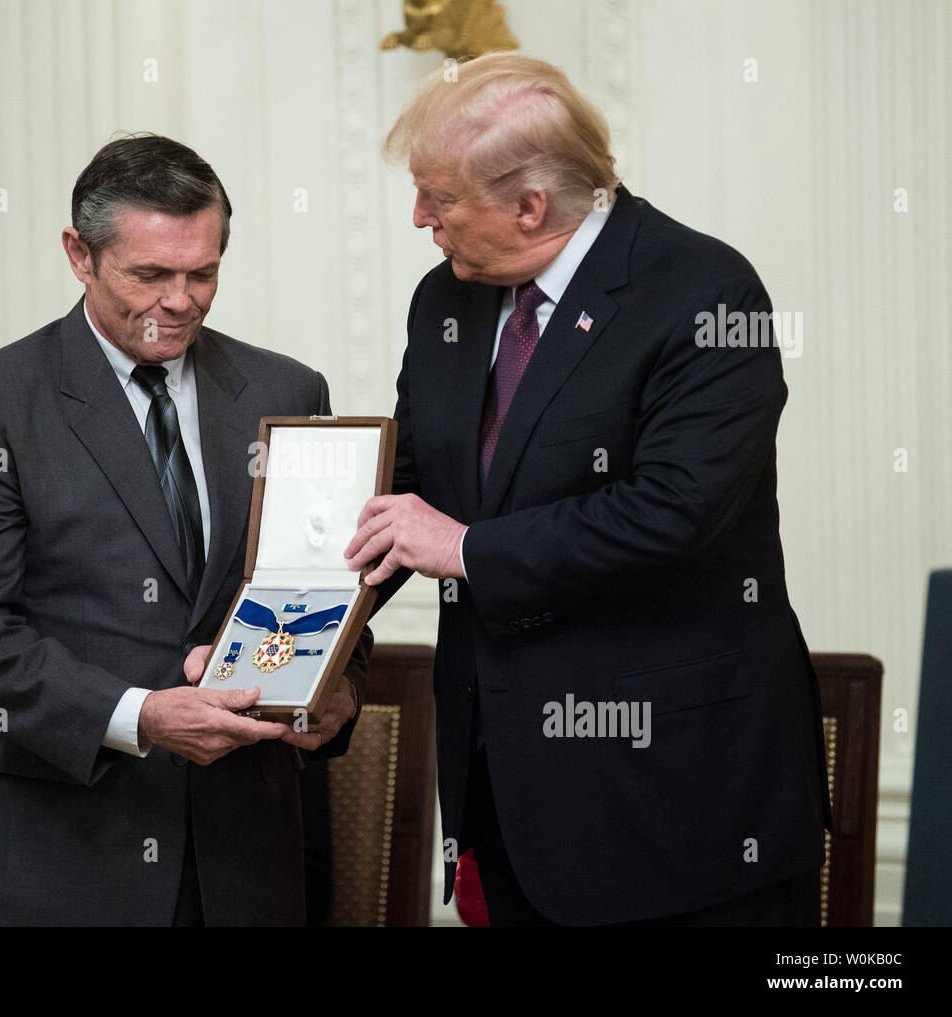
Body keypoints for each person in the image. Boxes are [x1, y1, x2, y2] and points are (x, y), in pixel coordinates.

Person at [345, 53, 831, 926]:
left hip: (677, 807)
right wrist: (272, 639)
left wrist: (463, 549)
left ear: (530, 205)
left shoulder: (706, 293)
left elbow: (672, 513)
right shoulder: (445, 303)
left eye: (440, 199)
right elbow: (406, 498)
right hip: (503, 798)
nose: (420, 219)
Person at [0, 134, 370, 926]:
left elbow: (323, 579)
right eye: (150, 275)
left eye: (204, 273)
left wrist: (339, 692)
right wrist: (140, 715)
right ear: (79, 255)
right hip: (59, 857)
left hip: (242, 860)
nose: (181, 300)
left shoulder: (285, 388)